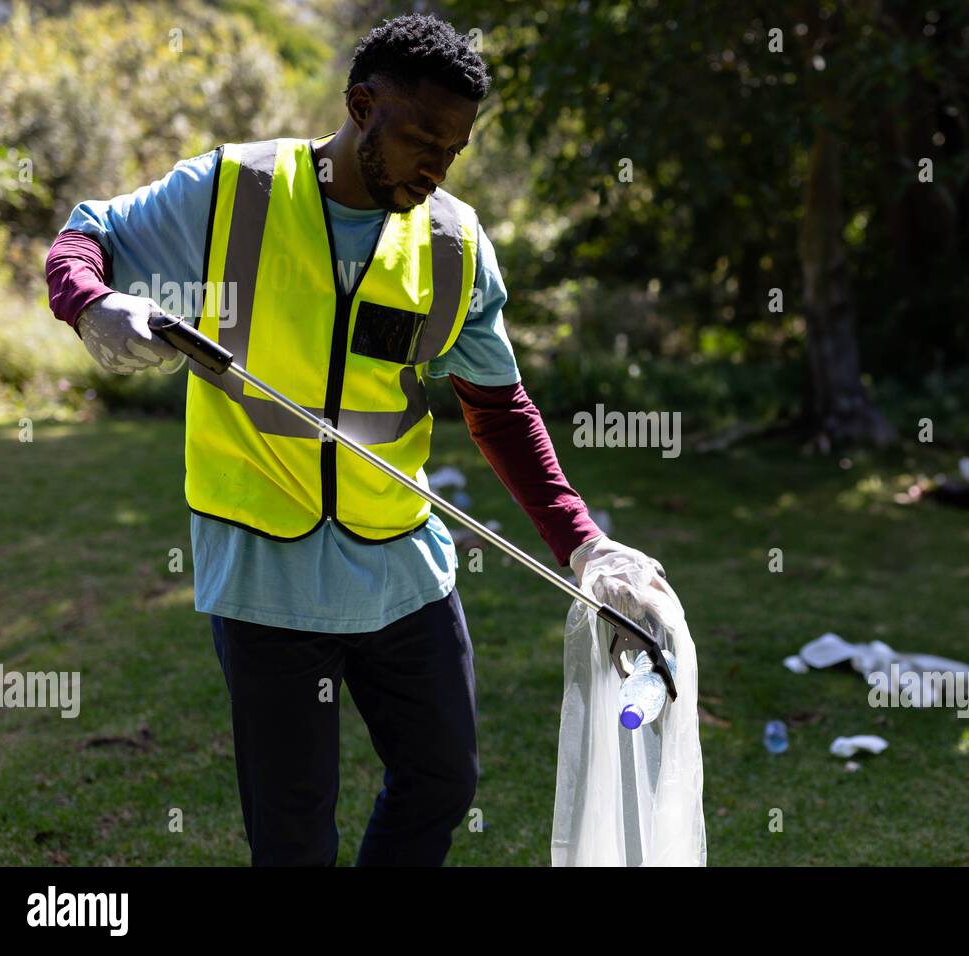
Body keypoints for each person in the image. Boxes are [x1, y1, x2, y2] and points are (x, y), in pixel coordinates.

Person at [43, 12, 667, 866]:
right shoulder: (232, 191)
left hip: (400, 566)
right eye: (421, 139)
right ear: (361, 104)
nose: (436, 167)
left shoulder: (454, 243)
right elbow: (85, 238)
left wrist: (585, 545)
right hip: (264, 571)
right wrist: (91, 303)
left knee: (443, 779)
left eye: (454, 150)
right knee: (292, 834)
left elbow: (499, 409)